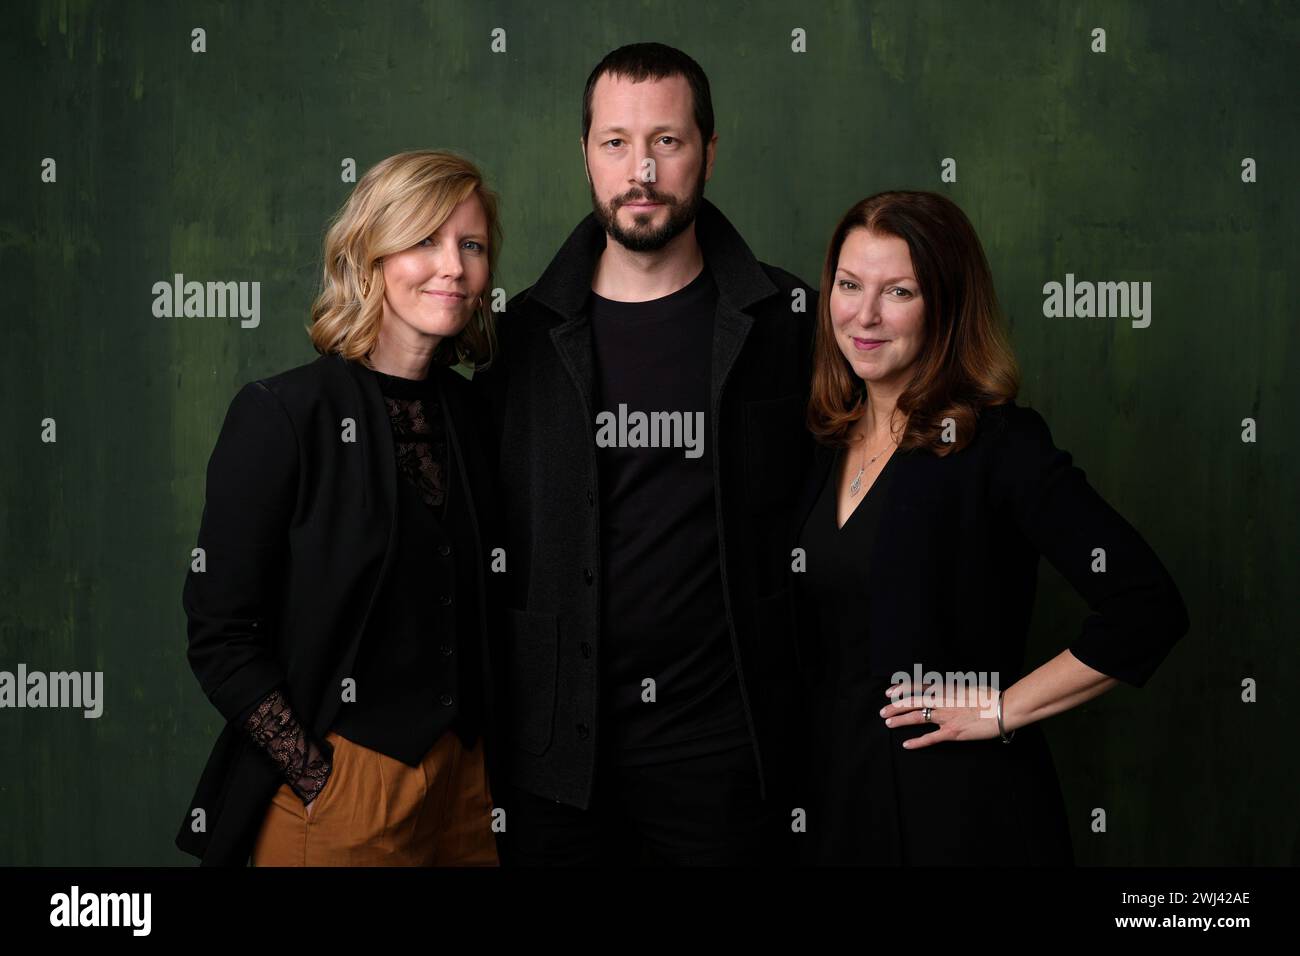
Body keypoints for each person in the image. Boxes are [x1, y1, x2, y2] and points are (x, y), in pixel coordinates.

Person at [472, 42, 815, 865]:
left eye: (667, 140)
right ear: (585, 155)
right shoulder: (514, 339)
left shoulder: (790, 321)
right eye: (616, 142)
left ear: (708, 150)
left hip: (728, 755)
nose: (643, 170)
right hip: (558, 758)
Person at [792, 189, 1190, 865]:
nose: (864, 315)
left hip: (964, 815)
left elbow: (1147, 606)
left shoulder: (999, 444)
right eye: (850, 285)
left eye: (899, 292)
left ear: (945, 308)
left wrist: (1003, 708)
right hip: (841, 804)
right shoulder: (821, 442)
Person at [175, 150, 505, 866]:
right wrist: (317, 775)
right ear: (370, 255)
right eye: (423, 240)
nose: (451, 266)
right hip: (342, 791)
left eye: (471, 246)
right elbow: (219, 631)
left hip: (472, 791)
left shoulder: (481, 416)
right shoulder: (284, 415)